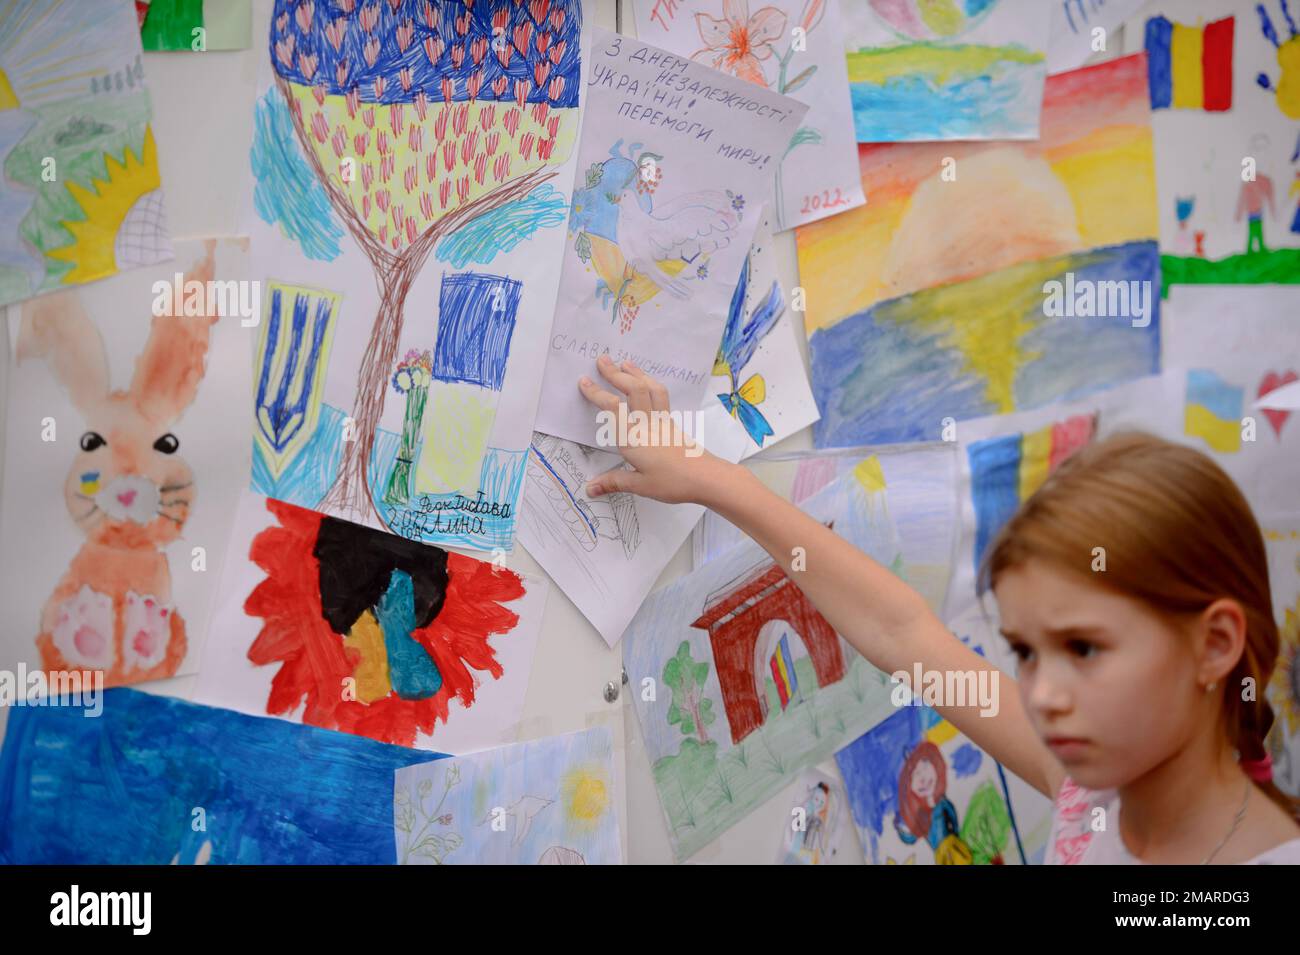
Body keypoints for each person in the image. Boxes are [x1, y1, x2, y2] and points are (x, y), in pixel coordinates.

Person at [578, 355, 1300, 864]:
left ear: (1214, 646)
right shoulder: (1096, 791)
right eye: (1024, 652)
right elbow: (901, 629)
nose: (1043, 695)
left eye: (1084, 649)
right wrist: (709, 478)